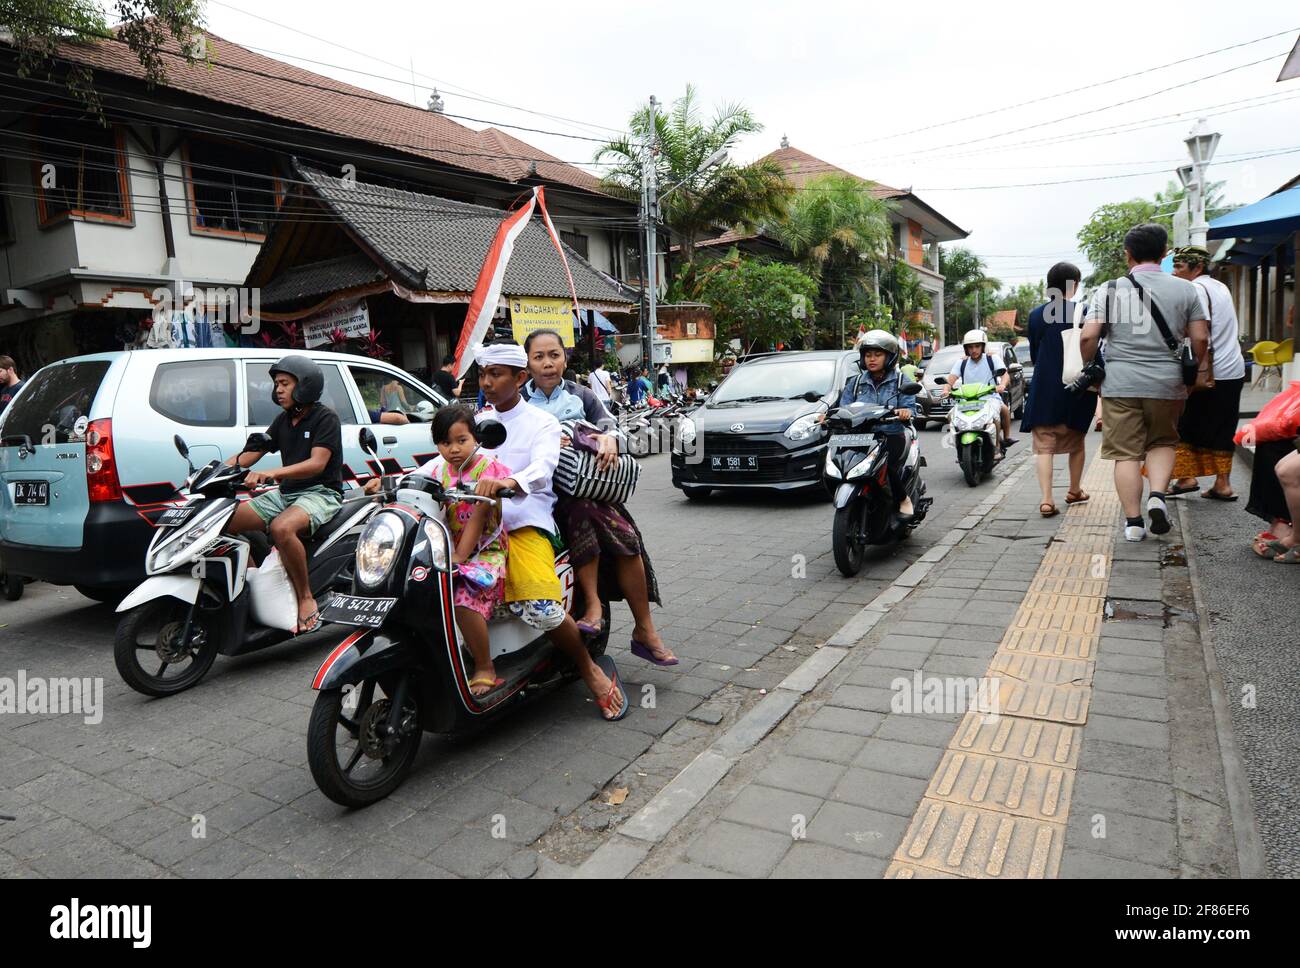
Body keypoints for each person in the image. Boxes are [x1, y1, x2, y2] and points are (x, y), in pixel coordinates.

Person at [474, 341, 628, 720]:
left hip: (524, 523)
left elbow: (543, 470)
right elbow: (448, 457)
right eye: (483, 374)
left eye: (496, 374)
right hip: (475, 523)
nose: (487, 382)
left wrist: (511, 482)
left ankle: (588, 669)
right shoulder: (477, 423)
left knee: (540, 608)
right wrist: (398, 480)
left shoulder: (541, 422)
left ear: (519, 378)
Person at [522, 329, 675, 666]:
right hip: (541, 497)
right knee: (584, 514)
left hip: (588, 487)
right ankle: (598, 607)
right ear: (528, 364)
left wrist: (608, 439)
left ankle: (641, 626)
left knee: (628, 537)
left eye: (554, 355)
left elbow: (612, 426)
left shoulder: (583, 395)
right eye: (539, 357)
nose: (547, 363)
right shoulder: (518, 401)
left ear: (565, 357)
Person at [1080, 222, 1209, 542]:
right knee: (1163, 442)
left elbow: (1088, 335)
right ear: (1164, 253)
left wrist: (1090, 369)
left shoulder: (1108, 290)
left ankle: (1134, 523)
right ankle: (1157, 497)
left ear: (1128, 255)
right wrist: (1193, 374)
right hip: (1168, 382)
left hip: (1120, 383)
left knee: (1126, 454)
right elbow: (1201, 337)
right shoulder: (1186, 289)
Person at [223, 356, 344, 632]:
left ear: (305, 386)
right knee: (223, 519)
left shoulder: (325, 418)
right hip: (287, 493)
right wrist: (211, 472)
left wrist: (273, 473)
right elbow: (250, 454)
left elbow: (317, 464)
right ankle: (252, 579)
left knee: (282, 528)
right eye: (277, 384)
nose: (278, 389)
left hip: (321, 492)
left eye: (284, 383)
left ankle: (305, 597)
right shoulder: (283, 420)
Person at [421, 405, 511, 696]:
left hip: (486, 551)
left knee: (460, 597)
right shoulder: (438, 470)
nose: (454, 449)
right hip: (452, 550)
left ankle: (485, 666)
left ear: (476, 438)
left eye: (462, 440)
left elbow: (479, 516)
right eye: (446, 443)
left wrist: (459, 557)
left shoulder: (487, 469)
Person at [1168, 244, 1246, 501]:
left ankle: (1186, 477)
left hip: (1207, 370)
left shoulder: (1195, 289)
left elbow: (1200, 336)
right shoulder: (1220, 287)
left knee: (1186, 424)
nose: (1175, 272)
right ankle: (1222, 484)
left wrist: (1191, 372)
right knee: (1223, 426)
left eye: (1179, 266)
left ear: (1197, 266)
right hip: (1232, 368)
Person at [1021, 263, 1097, 516]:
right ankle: (1075, 490)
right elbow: (1093, 347)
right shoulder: (1084, 311)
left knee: (1044, 445)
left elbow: (1034, 353)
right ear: (1073, 285)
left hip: (1045, 387)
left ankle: (1046, 499)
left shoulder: (1035, 315)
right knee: (1076, 442)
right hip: (1076, 385)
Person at [832, 329, 919, 519]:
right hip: (861, 436)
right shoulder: (854, 383)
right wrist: (827, 416)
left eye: (877, 354)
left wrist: (905, 412)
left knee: (887, 465)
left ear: (889, 357)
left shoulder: (900, 381)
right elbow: (844, 406)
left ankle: (903, 498)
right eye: (868, 355)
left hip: (891, 434)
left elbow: (911, 407)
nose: (872, 359)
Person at [943, 329, 1018, 454]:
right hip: (967, 400)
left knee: (1003, 410)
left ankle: (999, 444)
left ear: (983, 346)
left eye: (977, 346)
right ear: (966, 348)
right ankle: (959, 445)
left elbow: (1005, 375)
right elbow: (950, 379)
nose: (974, 350)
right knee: (951, 416)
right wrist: (946, 389)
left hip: (990, 398)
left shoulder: (992, 358)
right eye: (970, 347)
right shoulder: (962, 362)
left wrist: (1002, 385)